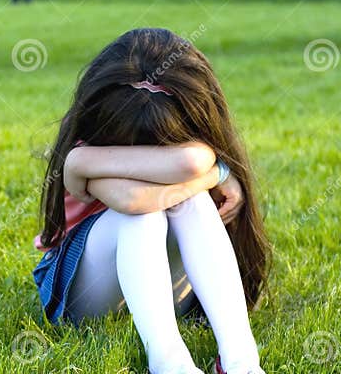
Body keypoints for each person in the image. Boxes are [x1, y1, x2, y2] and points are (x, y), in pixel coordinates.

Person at [33, 29, 271, 374]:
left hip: (165, 289)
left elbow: (187, 164)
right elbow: (136, 199)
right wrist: (216, 174)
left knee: (193, 204)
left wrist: (204, 178)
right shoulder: (84, 155)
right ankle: (169, 362)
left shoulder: (192, 143)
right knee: (145, 216)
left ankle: (240, 361)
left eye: (165, 144)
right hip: (82, 295)